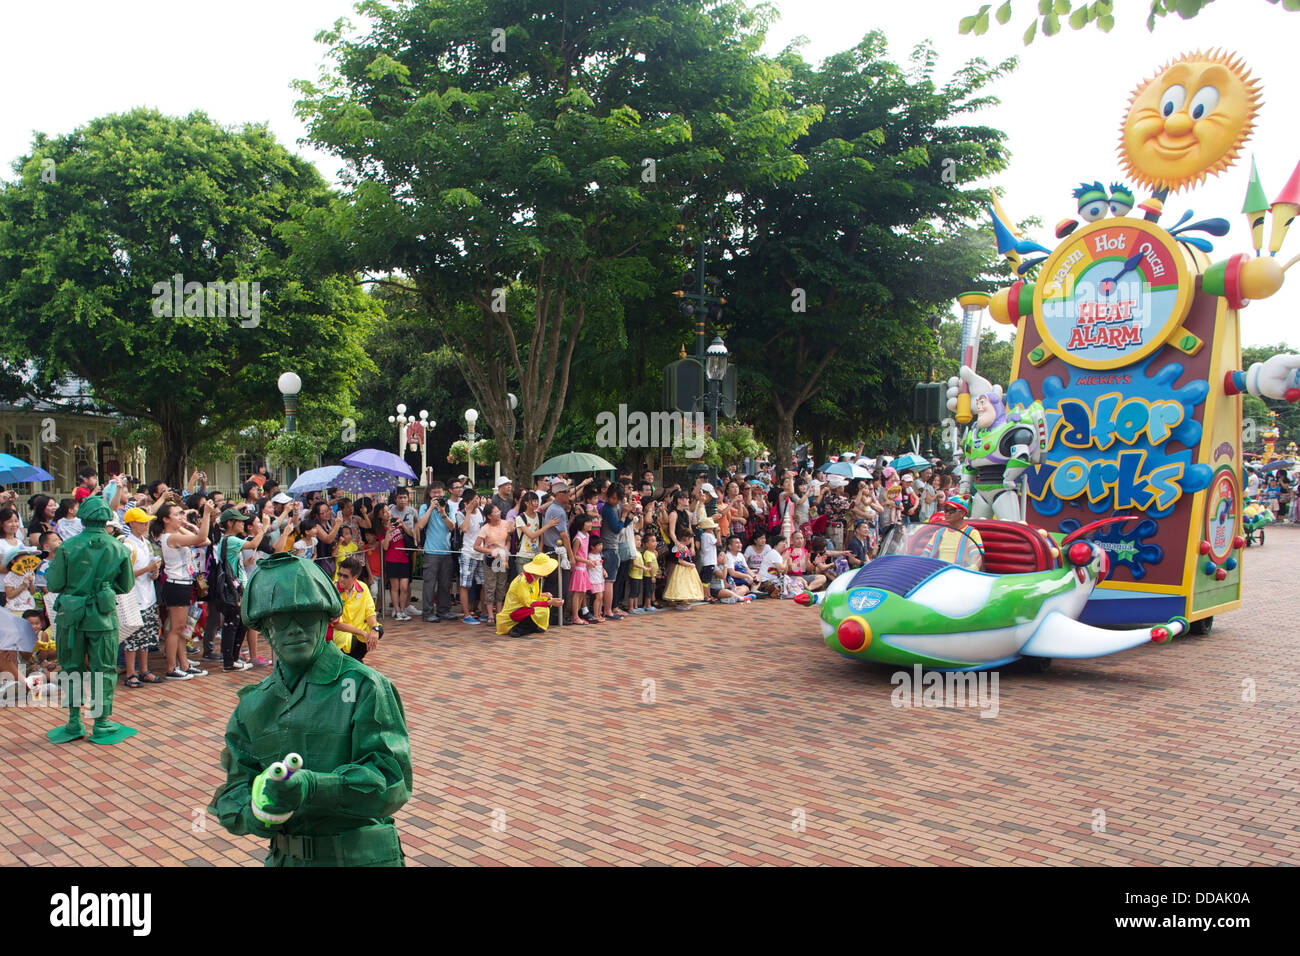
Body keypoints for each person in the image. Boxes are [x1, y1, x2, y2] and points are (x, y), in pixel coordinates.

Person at [208, 553, 412, 866]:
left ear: (324, 618)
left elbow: (392, 782)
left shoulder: (364, 686)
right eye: (280, 619)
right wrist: (262, 809)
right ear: (264, 628)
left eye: (304, 616)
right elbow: (231, 797)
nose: (293, 629)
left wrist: (313, 786)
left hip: (360, 858)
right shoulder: (253, 705)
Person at [43, 495, 137, 744]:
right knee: (103, 669)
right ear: (107, 518)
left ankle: (74, 720)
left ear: (82, 517)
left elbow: (54, 583)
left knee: (71, 666)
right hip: (102, 616)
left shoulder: (66, 546)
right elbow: (126, 584)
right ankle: (102, 722)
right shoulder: (118, 547)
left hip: (70, 616)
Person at [152, 500, 213, 681]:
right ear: (165, 519)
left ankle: (184, 664)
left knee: (181, 627)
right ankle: (172, 668)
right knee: (176, 628)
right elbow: (201, 538)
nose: (181, 516)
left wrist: (185, 525)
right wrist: (207, 514)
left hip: (183, 584)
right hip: (176, 585)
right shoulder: (171, 537)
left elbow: (205, 540)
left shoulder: (175, 533)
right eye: (177, 514)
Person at [120, 508, 163, 688]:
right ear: (132, 524)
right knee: (133, 638)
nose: (146, 525)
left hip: (148, 596)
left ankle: (144, 670)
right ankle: (131, 672)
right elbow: (125, 573)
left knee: (146, 636)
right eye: (142, 522)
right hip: (133, 598)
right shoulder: (127, 545)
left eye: (146, 522)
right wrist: (147, 569)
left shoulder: (145, 543)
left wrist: (154, 571)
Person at [496, 553, 564, 637]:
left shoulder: (535, 578)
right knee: (541, 610)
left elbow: (533, 595)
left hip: (521, 608)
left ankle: (530, 626)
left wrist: (544, 595)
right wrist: (550, 602)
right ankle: (519, 629)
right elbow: (528, 603)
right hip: (513, 613)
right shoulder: (523, 581)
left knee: (545, 604)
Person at [416, 484, 457, 623]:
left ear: (444, 493)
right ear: (429, 494)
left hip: (446, 551)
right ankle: (427, 612)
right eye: (434, 493)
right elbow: (420, 525)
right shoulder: (424, 507)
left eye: (439, 493)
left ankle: (443, 610)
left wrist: (443, 512)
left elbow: (452, 527)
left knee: (445, 584)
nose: (437, 496)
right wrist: (430, 508)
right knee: (429, 583)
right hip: (431, 551)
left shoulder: (448, 506)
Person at [332, 556, 381, 661]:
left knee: (378, 630)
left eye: (345, 576)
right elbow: (336, 623)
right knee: (350, 640)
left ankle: (357, 659)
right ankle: (349, 661)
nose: (340, 579)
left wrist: (374, 629)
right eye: (339, 574)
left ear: (355, 577)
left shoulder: (363, 587)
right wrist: (362, 632)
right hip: (337, 631)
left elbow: (370, 612)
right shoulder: (333, 589)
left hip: (356, 627)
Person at [475, 503, 511, 626]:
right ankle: (490, 615)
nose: (498, 514)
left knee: (501, 585)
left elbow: (508, 540)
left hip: (502, 559)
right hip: (491, 559)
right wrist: (490, 551)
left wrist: (506, 551)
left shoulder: (505, 524)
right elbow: (476, 546)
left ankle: (499, 612)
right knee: (490, 586)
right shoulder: (485, 528)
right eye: (495, 512)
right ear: (489, 516)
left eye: (498, 511)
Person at [924, 494, 983, 564]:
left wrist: (973, 568)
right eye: (946, 510)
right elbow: (925, 554)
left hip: (958, 572)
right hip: (937, 570)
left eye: (952, 510)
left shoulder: (972, 533)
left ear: (962, 513)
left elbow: (977, 558)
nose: (947, 514)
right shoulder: (939, 532)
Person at [388, 488, 419, 617]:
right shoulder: (390, 510)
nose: (402, 500)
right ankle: (396, 608)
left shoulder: (412, 512)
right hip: (393, 549)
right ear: (395, 499)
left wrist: (404, 526)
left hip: (407, 549)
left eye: (404, 498)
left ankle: (405, 606)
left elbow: (414, 531)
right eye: (400, 498)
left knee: (407, 581)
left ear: (408, 499)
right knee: (394, 584)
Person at [457, 490, 486, 625]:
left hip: (481, 553)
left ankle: (484, 612)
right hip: (467, 553)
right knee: (465, 585)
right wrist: (468, 511)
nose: (477, 501)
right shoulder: (460, 514)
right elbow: (464, 529)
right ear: (466, 502)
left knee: (484, 584)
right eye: (474, 499)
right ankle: (466, 614)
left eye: (477, 499)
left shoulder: (481, 512)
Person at [567, 513, 594, 625]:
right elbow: (574, 555)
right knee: (578, 593)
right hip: (579, 569)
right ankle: (575, 616)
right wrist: (587, 561)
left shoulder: (586, 536)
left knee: (582, 593)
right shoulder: (578, 538)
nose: (590, 524)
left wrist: (588, 560)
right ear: (582, 525)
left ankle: (578, 614)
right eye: (588, 522)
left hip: (583, 569)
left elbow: (583, 553)